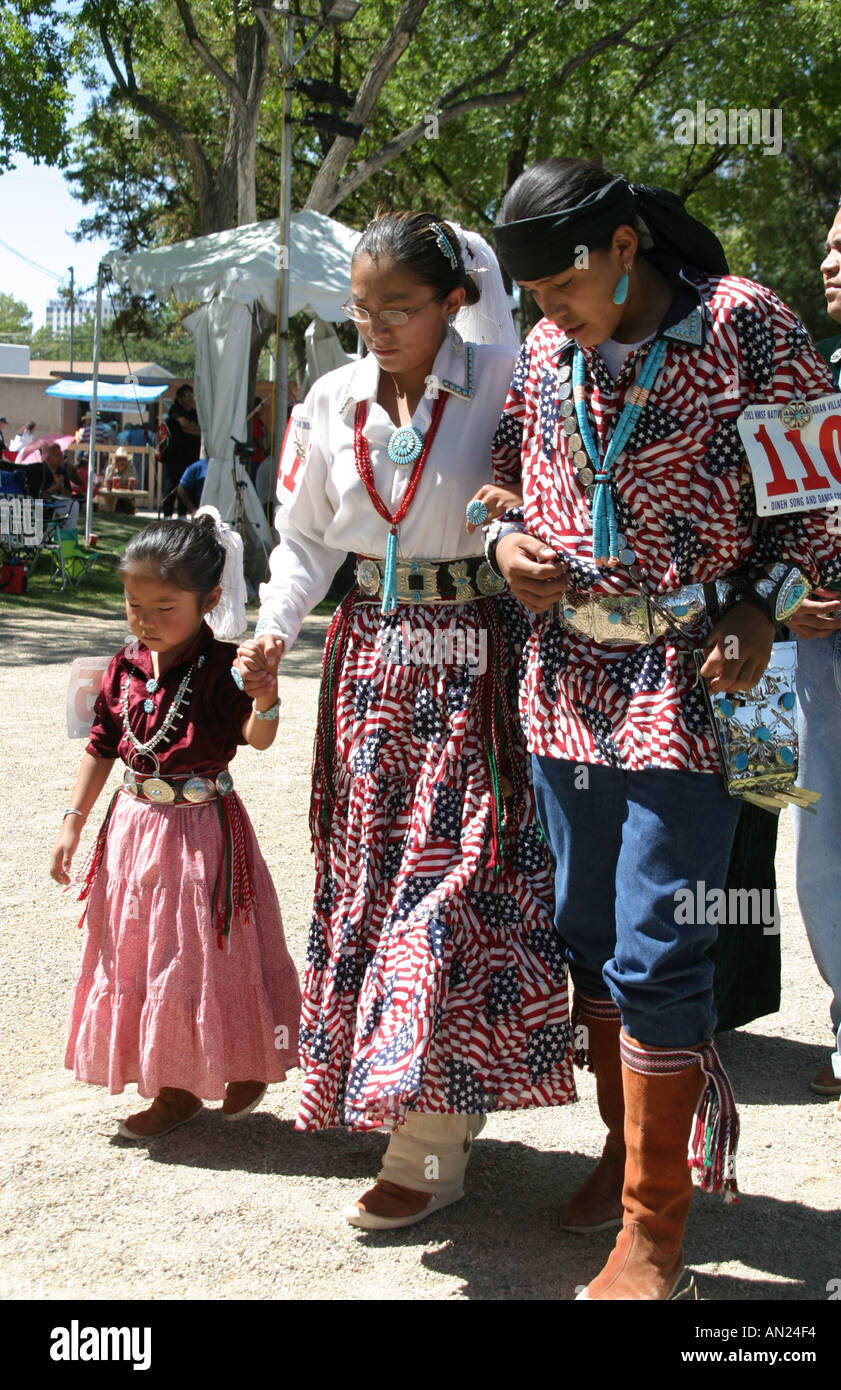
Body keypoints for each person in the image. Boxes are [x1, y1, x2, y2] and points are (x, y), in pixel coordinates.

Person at [487, 158, 841, 1300]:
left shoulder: (744, 323)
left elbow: (834, 507)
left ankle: (658, 1227)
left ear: (621, 248)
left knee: (658, 940)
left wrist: (763, 602)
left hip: (701, 673)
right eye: (532, 295)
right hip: (563, 676)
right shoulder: (548, 350)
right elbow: (499, 476)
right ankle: (622, 1149)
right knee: (586, 927)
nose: (546, 313)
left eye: (560, 283)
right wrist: (503, 542)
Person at [235, 212, 575, 1230]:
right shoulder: (330, 398)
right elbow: (301, 542)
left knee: (456, 887)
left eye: (402, 307)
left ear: (455, 301)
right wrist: (269, 632)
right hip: (370, 663)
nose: (377, 326)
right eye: (362, 306)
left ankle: (427, 1138)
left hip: (476, 653)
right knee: (378, 884)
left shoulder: (499, 380)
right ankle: (414, 1101)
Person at [50, 512, 301, 1139]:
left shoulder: (222, 670)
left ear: (210, 600)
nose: (146, 620)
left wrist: (266, 698)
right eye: (135, 605)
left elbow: (257, 739)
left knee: (203, 956)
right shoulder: (122, 667)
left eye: (165, 606)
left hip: (200, 834)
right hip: (131, 831)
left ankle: (224, 1070)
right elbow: (103, 743)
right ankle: (172, 1080)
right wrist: (73, 821)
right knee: (143, 952)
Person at [787, 179, 841, 1125]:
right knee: (816, 852)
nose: (829, 260)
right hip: (815, 642)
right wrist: (779, 599)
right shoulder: (820, 374)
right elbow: (777, 511)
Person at [160, 385, 201, 518]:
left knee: (187, 487)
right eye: (187, 395)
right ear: (179, 398)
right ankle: (167, 515)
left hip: (191, 457)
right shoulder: (175, 412)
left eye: (191, 395)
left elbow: (200, 429)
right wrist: (193, 429)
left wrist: (195, 429)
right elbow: (185, 425)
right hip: (175, 458)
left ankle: (183, 514)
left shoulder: (195, 413)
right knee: (171, 487)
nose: (190, 398)